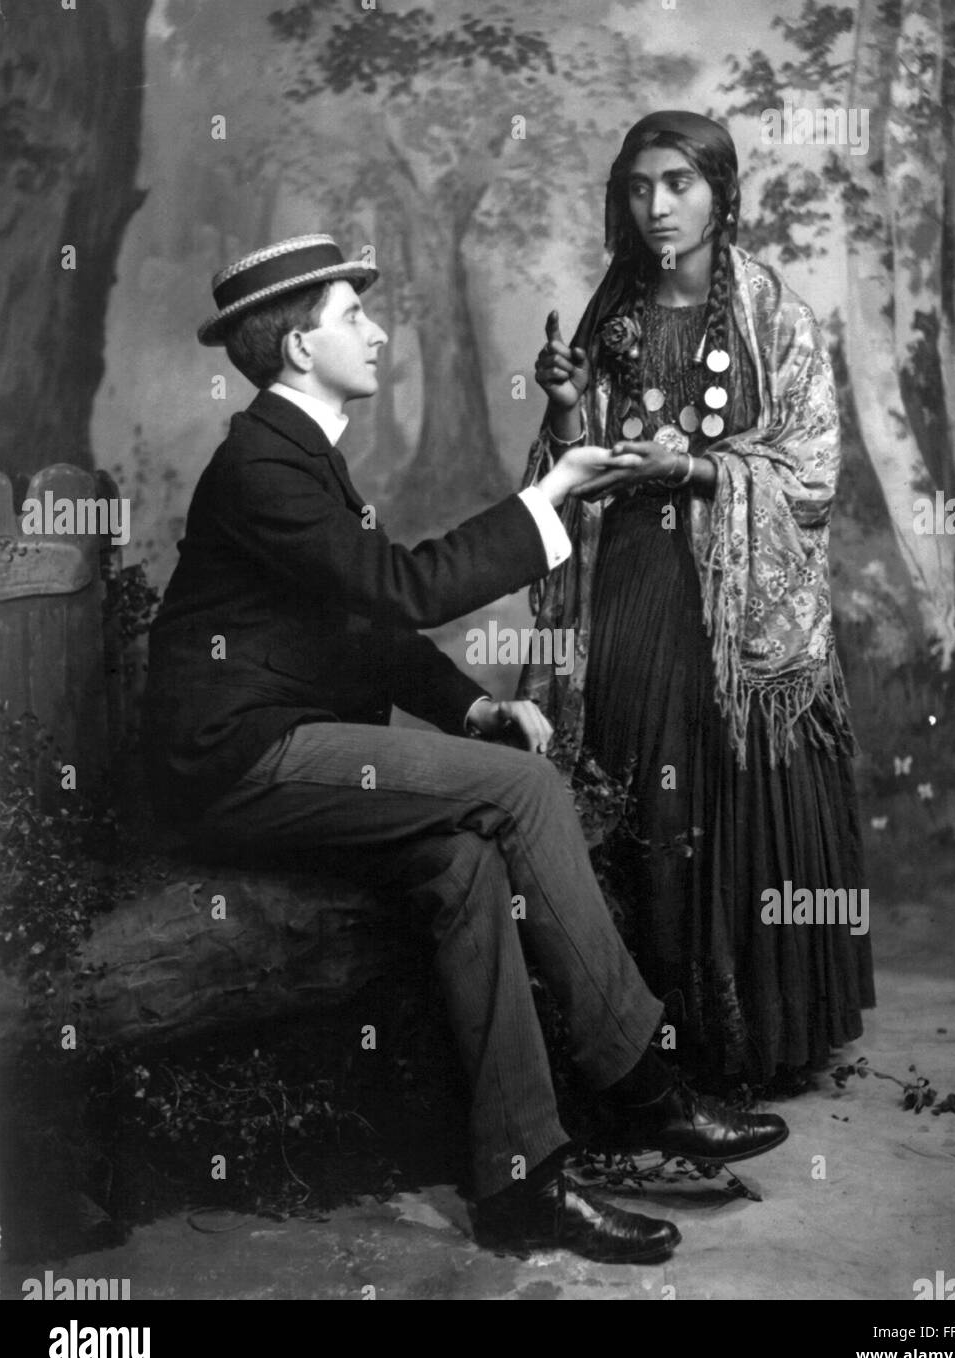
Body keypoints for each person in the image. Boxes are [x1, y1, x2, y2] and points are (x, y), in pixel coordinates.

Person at [142, 233, 789, 1266]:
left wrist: (468, 709)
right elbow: (400, 591)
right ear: (300, 346)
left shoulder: (300, 452)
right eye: (355, 316)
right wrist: (552, 496)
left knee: (464, 865)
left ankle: (520, 1181)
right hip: (236, 759)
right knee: (527, 792)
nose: (379, 329)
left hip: (282, 743)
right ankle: (644, 1091)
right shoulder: (263, 462)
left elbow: (359, 621)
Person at [522, 112, 875, 1090]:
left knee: (729, 778)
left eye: (677, 183)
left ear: (720, 190)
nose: (657, 206)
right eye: (638, 188)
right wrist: (563, 406)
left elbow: (811, 472)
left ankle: (753, 1039)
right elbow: (570, 462)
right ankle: (641, 1044)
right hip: (637, 581)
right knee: (639, 777)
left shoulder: (770, 311)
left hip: (736, 601)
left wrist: (696, 466)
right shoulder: (613, 311)